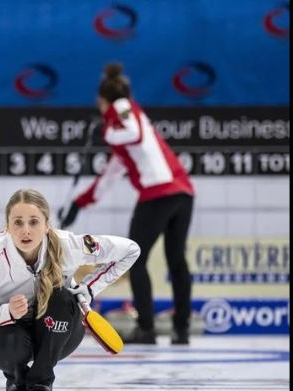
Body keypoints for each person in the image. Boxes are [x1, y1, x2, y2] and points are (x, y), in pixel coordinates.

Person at [0, 189, 140, 391]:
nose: (26, 231)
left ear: (47, 225)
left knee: (62, 296)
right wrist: (6, 313)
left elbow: (130, 250)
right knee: (10, 343)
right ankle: (17, 381)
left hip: (59, 333)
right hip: (9, 336)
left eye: (34, 222)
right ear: (7, 226)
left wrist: (89, 288)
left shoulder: (69, 245)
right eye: (18, 223)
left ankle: (41, 383)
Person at [58, 62, 196, 346]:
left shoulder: (122, 107)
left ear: (102, 101)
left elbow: (133, 132)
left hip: (159, 194)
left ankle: (146, 328)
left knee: (136, 258)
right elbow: (109, 174)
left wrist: (106, 131)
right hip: (183, 193)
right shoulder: (122, 137)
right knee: (176, 260)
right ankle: (181, 329)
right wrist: (79, 203)